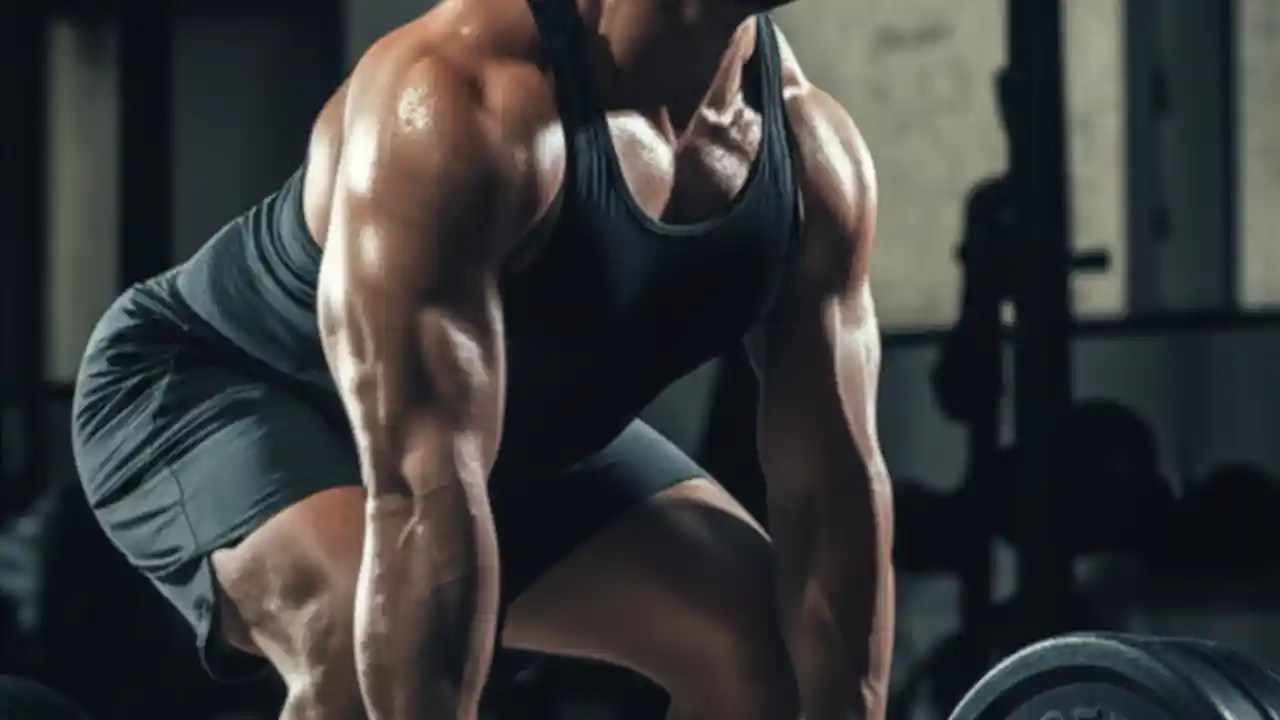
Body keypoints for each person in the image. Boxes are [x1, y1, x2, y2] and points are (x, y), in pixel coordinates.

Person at [71, 0, 895, 717]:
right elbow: (421, 493)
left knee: (768, 651)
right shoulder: (461, 103)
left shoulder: (809, 154)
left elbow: (832, 500)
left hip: (505, 435)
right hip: (218, 387)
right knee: (359, 644)